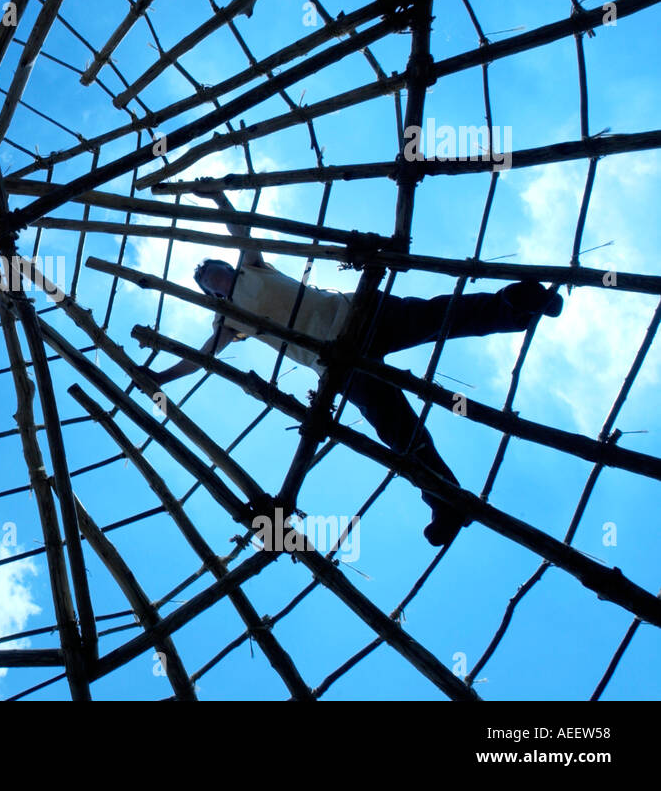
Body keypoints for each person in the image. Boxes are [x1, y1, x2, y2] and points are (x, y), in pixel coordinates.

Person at [144, 185, 563, 548]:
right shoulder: (229, 320)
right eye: (208, 281)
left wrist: (219, 197)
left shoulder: (252, 267)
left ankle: (519, 305)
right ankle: (445, 500)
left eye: (216, 269)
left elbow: (241, 231)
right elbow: (199, 357)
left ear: (226, 267)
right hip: (335, 360)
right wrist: (161, 377)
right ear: (210, 294)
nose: (216, 277)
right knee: (396, 427)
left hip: (356, 312)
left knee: (440, 316)